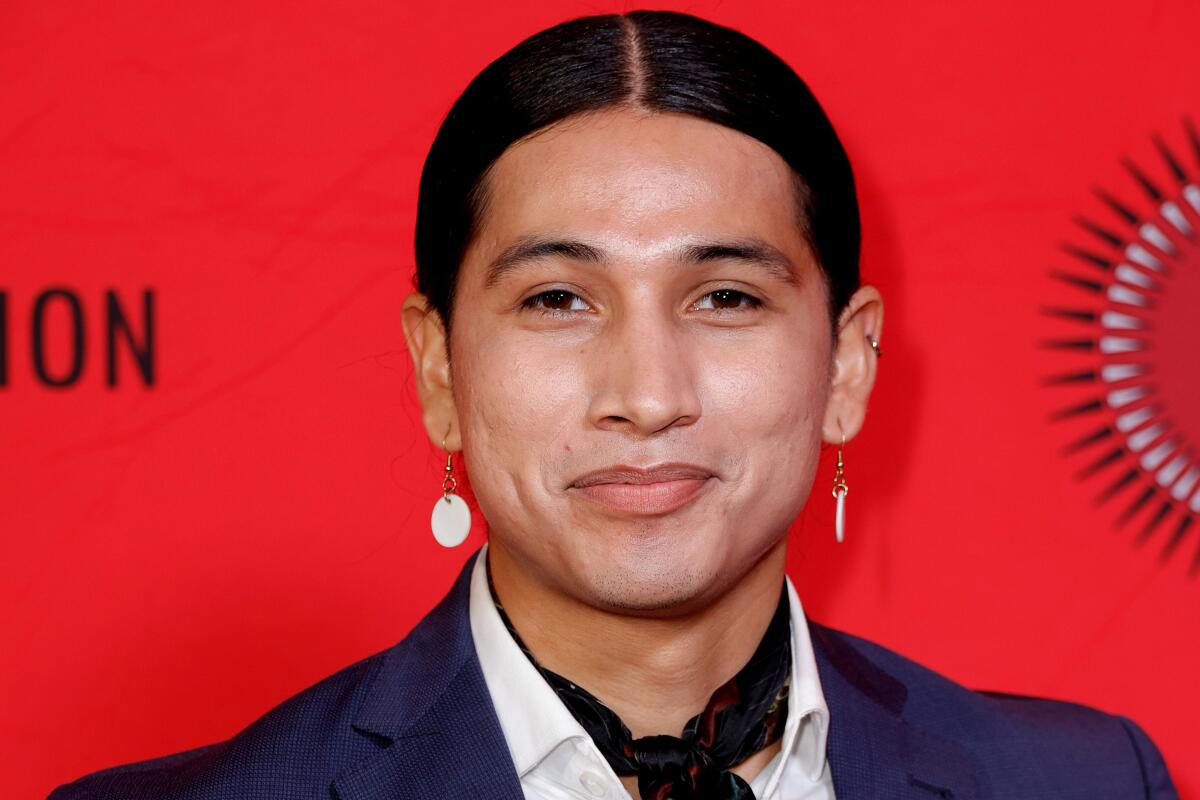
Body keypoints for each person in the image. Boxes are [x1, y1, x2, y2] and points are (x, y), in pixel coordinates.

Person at [49, 10, 1179, 800]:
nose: (646, 394)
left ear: (846, 365)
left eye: (726, 295)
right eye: (557, 298)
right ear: (440, 367)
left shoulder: (1087, 779)